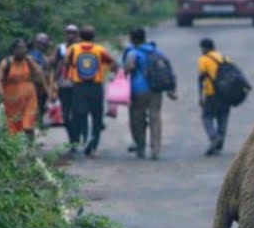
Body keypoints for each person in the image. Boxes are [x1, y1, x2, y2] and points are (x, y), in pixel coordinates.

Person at [64, 25, 117, 158]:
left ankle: (82, 139)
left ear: (80, 37)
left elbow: (66, 63)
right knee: (96, 117)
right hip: (95, 87)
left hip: (78, 87)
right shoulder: (99, 49)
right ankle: (92, 146)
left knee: (79, 115)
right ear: (94, 37)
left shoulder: (73, 49)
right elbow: (112, 63)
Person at [122, 27, 173, 160]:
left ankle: (141, 147)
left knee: (137, 119)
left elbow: (129, 67)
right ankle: (155, 149)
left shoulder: (132, 52)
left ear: (132, 38)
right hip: (156, 89)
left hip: (138, 90)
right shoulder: (155, 51)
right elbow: (167, 68)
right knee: (155, 117)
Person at [0, 38, 47, 141]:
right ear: (14, 50)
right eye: (20, 48)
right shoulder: (6, 62)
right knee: (14, 127)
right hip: (12, 101)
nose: (23, 50)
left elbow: (39, 73)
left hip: (29, 99)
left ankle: (30, 148)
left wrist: (44, 88)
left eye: (24, 47)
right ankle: (17, 150)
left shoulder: (28, 60)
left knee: (28, 124)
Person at [197, 38, 230, 156]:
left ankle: (214, 137)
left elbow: (201, 78)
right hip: (226, 93)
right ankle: (220, 142)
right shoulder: (224, 57)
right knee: (223, 117)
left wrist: (200, 96)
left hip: (212, 93)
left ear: (205, 48)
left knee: (207, 116)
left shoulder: (204, 59)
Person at [55, 24, 80, 149]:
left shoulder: (81, 48)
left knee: (77, 113)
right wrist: (53, 82)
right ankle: (72, 139)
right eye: (68, 33)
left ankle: (77, 138)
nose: (70, 35)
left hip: (78, 84)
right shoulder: (61, 48)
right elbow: (57, 65)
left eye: (73, 33)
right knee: (65, 114)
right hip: (64, 84)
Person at [29, 33, 57, 123]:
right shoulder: (34, 55)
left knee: (42, 103)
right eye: (43, 44)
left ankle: (39, 121)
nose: (44, 46)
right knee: (37, 104)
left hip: (43, 84)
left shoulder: (43, 55)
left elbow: (50, 69)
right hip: (36, 84)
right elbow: (38, 71)